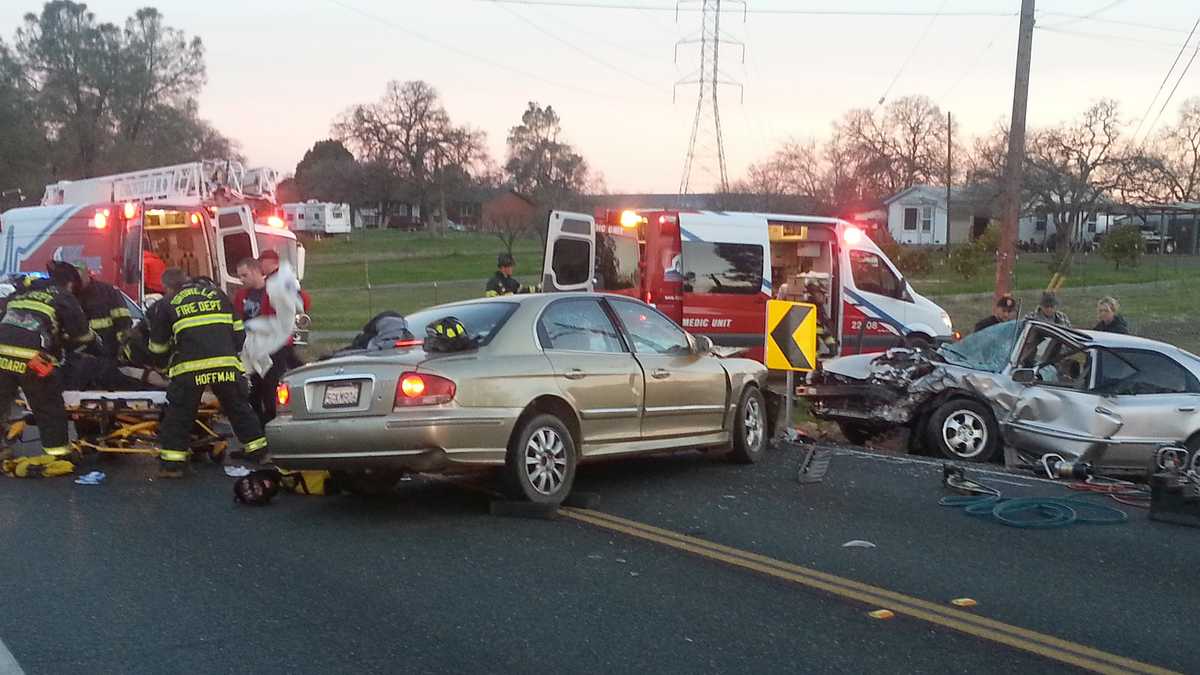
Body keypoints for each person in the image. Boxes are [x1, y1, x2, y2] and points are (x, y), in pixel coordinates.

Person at [148, 268, 266, 478]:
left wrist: (162, 365)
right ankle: (258, 451)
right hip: (225, 365)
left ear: (167, 287)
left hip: (190, 369)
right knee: (238, 408)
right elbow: (239, 333)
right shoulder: (218, 294)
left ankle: (172, 465)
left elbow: (158, 347)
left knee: (180, 415)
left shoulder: (167, 304)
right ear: (187, 279)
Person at [0, 266, 92, 461]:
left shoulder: (23, 293)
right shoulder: (63, 296)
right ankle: (58, 454)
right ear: (69, 283)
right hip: (33, 359)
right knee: (48, 405)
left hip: (1, 354)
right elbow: (81, 335)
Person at [233, 257, 301, 425]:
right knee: (252, 391)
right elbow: (236, 318)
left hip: (275, 347)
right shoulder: (242, 295)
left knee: (271, 389)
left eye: (244, 275)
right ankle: (258, 428)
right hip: (253, 348)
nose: (241, 280)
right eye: (239, 276)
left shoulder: (274, 290)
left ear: (256, 271)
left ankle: (273, 423)